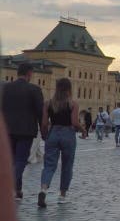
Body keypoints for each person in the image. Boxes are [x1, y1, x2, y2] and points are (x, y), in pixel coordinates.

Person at [38, 78, 86, 207]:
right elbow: (75, 123)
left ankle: (43, 190)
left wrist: (44, 135)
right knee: (67, 165)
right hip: (68, 134)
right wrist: (83, 130)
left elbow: (43, 123)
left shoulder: (48, 103)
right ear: (69, 89)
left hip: (53, 133)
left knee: (49, 165)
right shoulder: (73, 104)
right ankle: (62, 195)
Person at [1, 62, 44, 200]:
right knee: (20, 160)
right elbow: (40, 112)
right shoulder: (34, 89)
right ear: (29, 73)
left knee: (12, 160)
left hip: (7, 130)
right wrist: (44, 131)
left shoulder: (5, 88)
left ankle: (18, 190)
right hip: (26, 131)